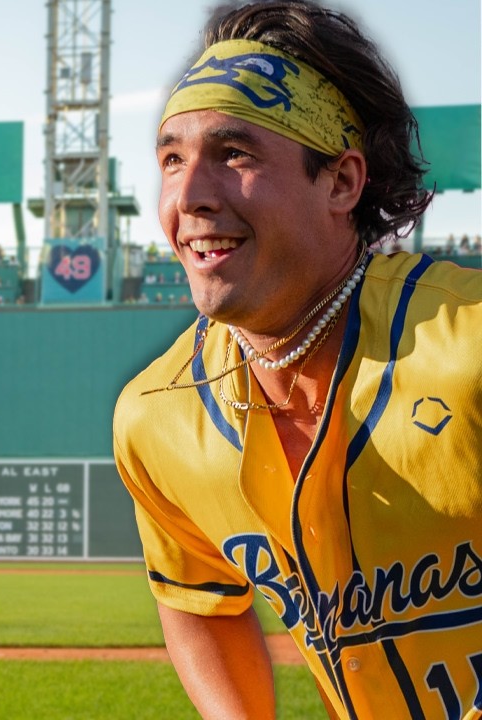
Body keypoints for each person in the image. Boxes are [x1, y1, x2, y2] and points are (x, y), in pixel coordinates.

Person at [111, 2, 482, 718]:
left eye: (234, 153)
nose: (189, 196)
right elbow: (199, 604)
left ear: (341, 182)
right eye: (171, 160)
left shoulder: (467, 342)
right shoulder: (157, 417)